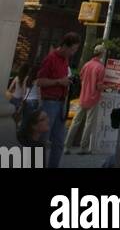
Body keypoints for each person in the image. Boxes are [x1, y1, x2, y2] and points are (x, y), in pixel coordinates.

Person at [35, 32, 80, 168]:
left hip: (61, 102)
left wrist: (67, 82)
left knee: (59, 141)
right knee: (43, 139)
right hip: (49, 102)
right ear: (65, 46)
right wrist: (59, 82)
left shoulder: (65, 60)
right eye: (72, 50)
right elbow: (40, 81)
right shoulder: (50, 58)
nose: (73, 53)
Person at [64, 44, 106, 154]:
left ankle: (66, 146)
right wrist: (109, 87)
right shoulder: (101, 68)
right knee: (88, 123)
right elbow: (99, 86)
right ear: (102, 53)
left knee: (75, 122)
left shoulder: (87, 65)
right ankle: (83, 147)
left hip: (83, 97)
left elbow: (81, 77)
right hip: (93, 98)